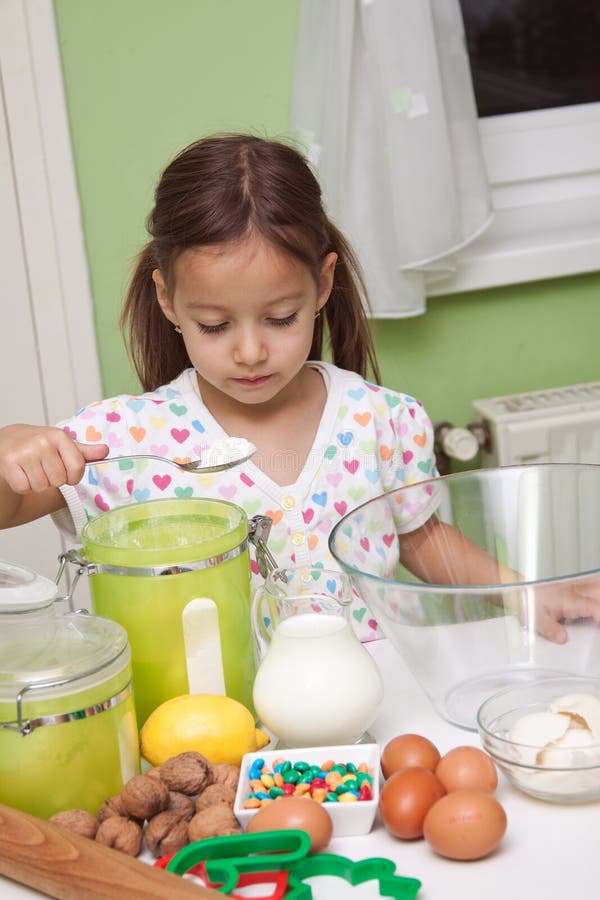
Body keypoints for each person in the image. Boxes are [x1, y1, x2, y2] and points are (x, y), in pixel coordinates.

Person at [0, 134, 597, 643]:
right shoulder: (121, 440)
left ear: (322, 285)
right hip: (216, 732)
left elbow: (420, 536)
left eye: (280, 317)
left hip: (368, 713)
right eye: (215, 325)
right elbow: (12, 505)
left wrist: (520, 593)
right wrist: (9, 455)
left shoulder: (379, 420)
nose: (251, 351)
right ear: (167, 301)